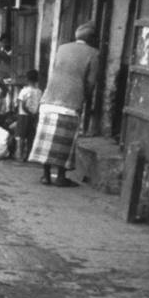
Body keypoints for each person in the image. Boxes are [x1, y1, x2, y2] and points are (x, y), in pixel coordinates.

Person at [28, 22, 98, 187]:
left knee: (46, 141)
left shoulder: (62, 48)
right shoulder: (94, 54)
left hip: (49, 98)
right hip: (70, 102)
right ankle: (60, 176)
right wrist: (84, 99)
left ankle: (45, 175)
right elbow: (90, 82)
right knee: (64, 142)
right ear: (92, 38)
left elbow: (56, 69)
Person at [16, 70, 43, 163]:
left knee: (21, 136)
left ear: (27, 79)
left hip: (24, 115)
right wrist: (35, 114)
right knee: (31, 136)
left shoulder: (24, 91)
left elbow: (22, 105)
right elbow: (40, 105)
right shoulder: (39, 92)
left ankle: (20, 156)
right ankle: (28, 155)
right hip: (34, 116)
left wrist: (28, 112)